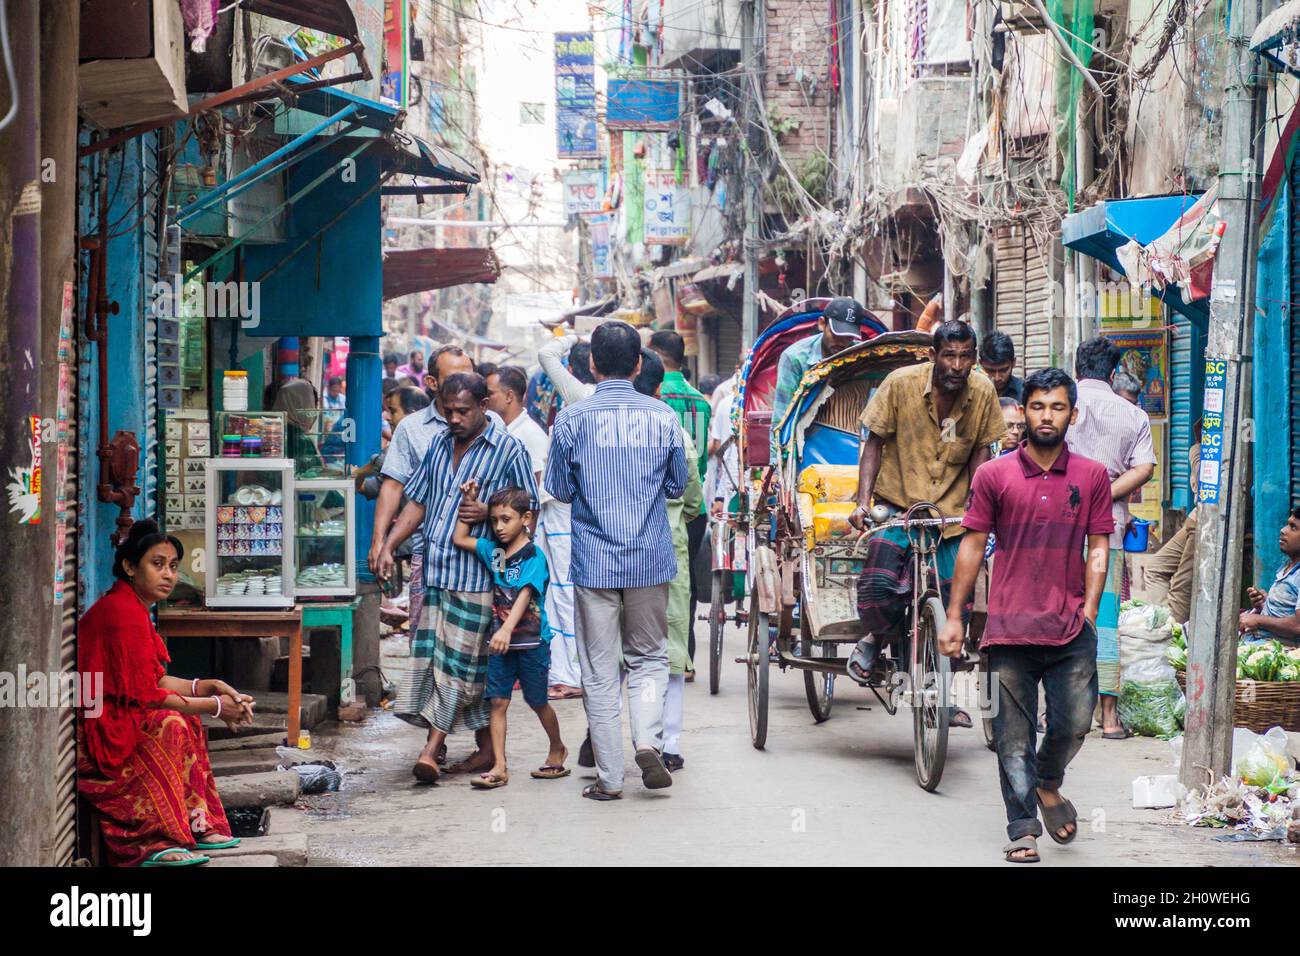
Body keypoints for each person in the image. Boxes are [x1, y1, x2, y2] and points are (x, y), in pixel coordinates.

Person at [938, 368, 1114, 863]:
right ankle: (1022, 828)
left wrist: (1092, 609)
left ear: (1072, 415)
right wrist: (956, 614)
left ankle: (1049, 782)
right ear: (1022, 412)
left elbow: (1098, 544)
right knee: (1013, 738)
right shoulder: (994, 475)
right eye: (1038, 406)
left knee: (1075, 723)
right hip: (1009, 626)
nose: (1046, 416)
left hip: (1069, 624)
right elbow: (973, 546)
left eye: (1057, 407)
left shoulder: (1092, 476)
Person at [544, 320, 688, 800]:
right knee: (649, 659)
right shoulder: (663, 418)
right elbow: (674, 486)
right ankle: (646, 739)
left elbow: (559, 489)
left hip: (595, 563)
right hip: (649, 558)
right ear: (636, 364)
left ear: (590, 363)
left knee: (600, 669)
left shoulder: (572, 419)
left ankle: (608, 780)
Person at [844, 320, 1004, 731]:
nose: (956, 364)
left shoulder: (983, 391)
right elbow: (874, 444)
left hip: (951, 513)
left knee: (958, 598)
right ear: (932, 356)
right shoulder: (899, 384)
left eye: (965, 356)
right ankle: (875, 639)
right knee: (879, 588)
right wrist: (864, 503)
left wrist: (978, 505)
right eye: (948, 355)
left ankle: (941, 690)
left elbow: (982, 452)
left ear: (974, 358)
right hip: (899, 505)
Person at [377, 372, 537, 783]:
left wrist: (487, 512)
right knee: (436, 662)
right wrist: (389, 543)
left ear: (484, 406)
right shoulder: (437, 446)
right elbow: (418, 503)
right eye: (448, 410)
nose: (454, 418)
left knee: (459, 666)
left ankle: (431, 749)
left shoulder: (508, 449)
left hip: (479, 577)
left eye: (463, 410)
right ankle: (485, 748)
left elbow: (529, 508)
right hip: (435, 571)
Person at [77, 520, 256, 867]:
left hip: (112, 712)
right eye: (157, 564)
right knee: (172, 723)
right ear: (130, 567)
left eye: (173, 567)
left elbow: (154, 680)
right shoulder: (121, 612)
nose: (169, 575)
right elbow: (148, 695)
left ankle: (197, 824)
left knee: (184, 721)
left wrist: (210, 688)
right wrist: (216, 706)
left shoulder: (135, 608)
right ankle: (151, 841)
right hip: (97, 724)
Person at [368, 345, 478, 730]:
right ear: (431, 384)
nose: (464, 385)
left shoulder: (491, 424)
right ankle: (437, 735)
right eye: (453, 378)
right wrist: (382, 541)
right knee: (427, 644)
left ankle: (482, 742)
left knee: (476, 649)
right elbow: (396, 489)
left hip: (480, 556)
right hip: (430, 555)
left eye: (470, 374)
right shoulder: (414, 431)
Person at [1064, 336, 1156, 738]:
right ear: (1114, 372)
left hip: (1058, 528)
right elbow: (1145, 468)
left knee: (1060, 610)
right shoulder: (1132, 414)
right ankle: (1109, 718)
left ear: (1077, 368)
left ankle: (1057, 711)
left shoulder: (1063, 407)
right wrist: (1104, 492)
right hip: (1110, 529)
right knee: (1105, 618)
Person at [451, 483, 568, 788]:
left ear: (526, 518)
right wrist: (469, 502)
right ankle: (500, 766)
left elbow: (525, 595)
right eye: (494, 521)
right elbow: (459, 537)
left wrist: (504, 628)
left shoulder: (534, 557)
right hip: (501, 646)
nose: (499, 527)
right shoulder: (498, 554)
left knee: (537, 700)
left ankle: (557, 746)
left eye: (506, 519)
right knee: (498, 703)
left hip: (531, 643)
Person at [632, 348, 703, 771]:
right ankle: (667, 743)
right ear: (660, 387)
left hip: (613, 552)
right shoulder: (673, 427)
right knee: (669, 651)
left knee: (621, 655)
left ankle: (617, 738)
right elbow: (692, 498)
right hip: (667, 549)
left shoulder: (597, 420)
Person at [536, 333, 598, 701]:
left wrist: (575, 333)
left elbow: (546, 353)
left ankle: (573, 672)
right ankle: (576, 669)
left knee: (564, 590)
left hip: (567, 508)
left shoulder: (580, 395)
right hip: (585, 507)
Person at [649, 329, 711, 679]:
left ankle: (658, 655)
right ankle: (685, 657)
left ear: (656, 355)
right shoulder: (700, 401)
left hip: (664, 504)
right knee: (684, 587)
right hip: (693, 504)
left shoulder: (656, 400)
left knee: (658, 586)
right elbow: (698, 461)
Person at [770, 297, 871, 460]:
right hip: (804, 445)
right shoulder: (795, 358)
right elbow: (782, 416)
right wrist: (776, 464)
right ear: (822, 324)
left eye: (848, 337)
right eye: (837, 333)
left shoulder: (861, 359)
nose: (842, 342)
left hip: (851, 446)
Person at [1240, 507, 1300, 645]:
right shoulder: (1287, 567)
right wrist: (1265, 604)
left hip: (1278, 648)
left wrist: (1259, 620)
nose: (1283, 530)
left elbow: (1298, 626)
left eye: (1293, 527)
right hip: (1259, 639)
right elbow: (1287, 610)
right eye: (1287, 524)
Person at [979, 330, 1024, 403]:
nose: (997, 378)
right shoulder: (973, 392)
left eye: (1003, 370)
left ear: (1013, 362)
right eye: (991, 371)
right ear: (981, 363)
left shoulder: (1025, 392)